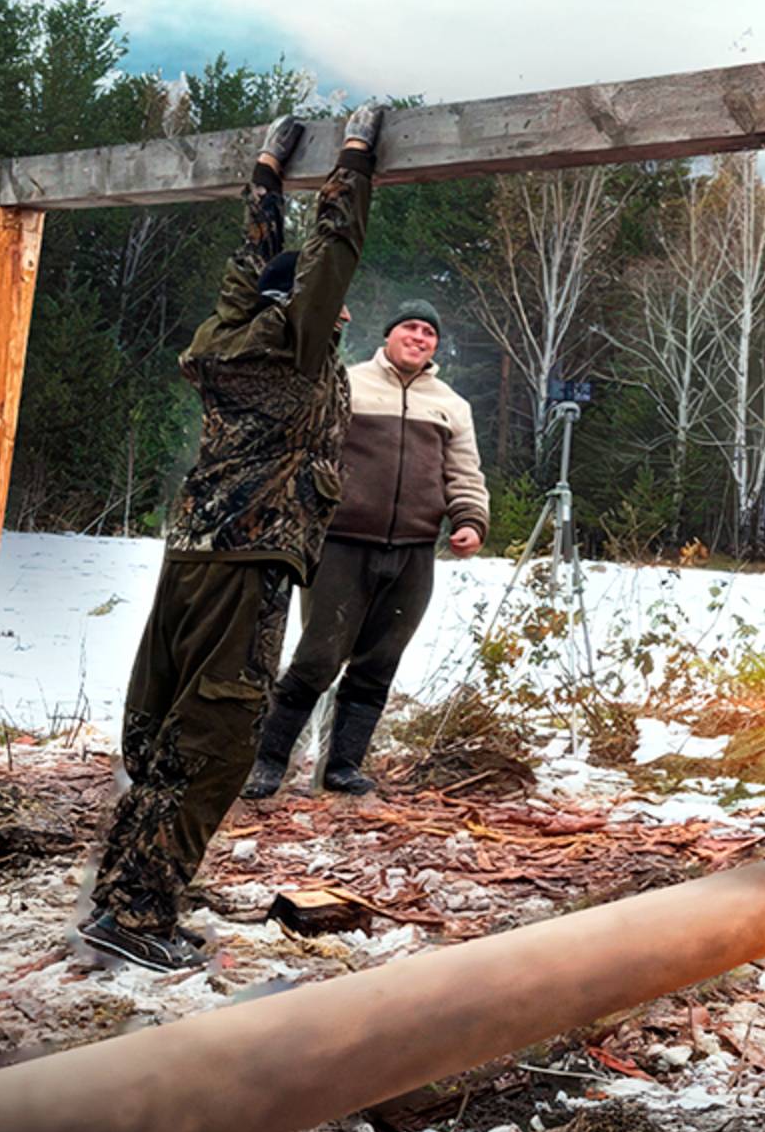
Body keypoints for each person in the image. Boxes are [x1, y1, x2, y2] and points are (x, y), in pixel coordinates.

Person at [78, 105, 385, 972]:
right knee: (215, 740)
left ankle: (127, 891)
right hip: (247, 564)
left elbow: (251, 267)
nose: (343, 313)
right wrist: (354, 161)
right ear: (314, 309)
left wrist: (265, 174)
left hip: (192, 556)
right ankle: (136, 915)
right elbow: (333, 248)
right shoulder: (294, 348)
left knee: (165, 733)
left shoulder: (226, 340)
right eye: (334, 307)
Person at [242, 298, 488, 799]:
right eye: (410, 328)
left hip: (414, 551)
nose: (419, 337)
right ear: (389, 334)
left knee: (379, 663)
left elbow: (465, 473)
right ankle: (267, 762)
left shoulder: (451, 404)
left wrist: (470, 521)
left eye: (429, 333)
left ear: (436, 346)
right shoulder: (348, 384)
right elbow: (310, 449)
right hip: (342, 544)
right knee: (318, 658)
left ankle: (343, 766)